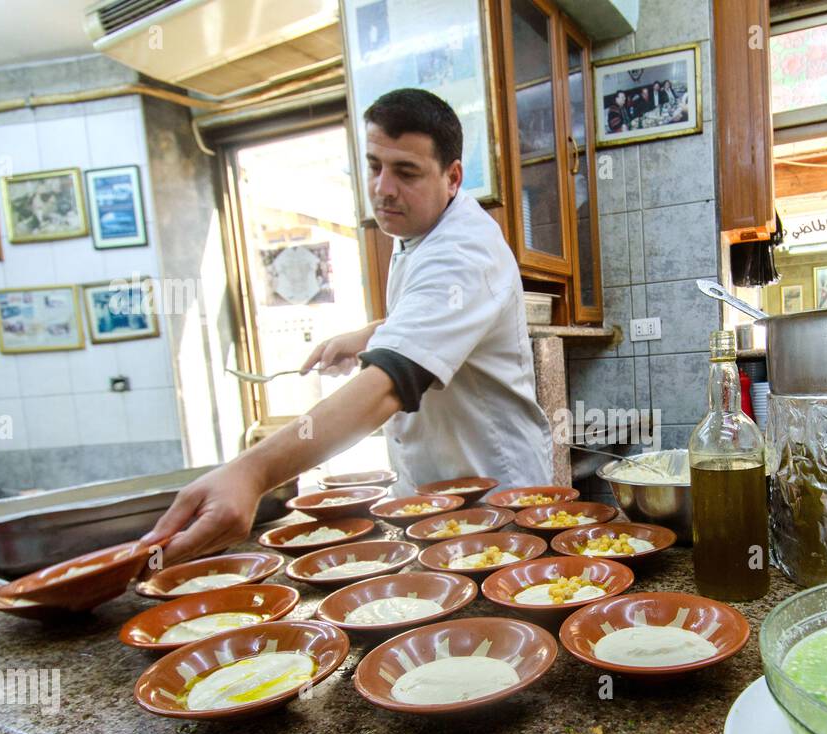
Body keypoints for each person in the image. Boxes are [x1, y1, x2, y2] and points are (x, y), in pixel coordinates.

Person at [144, 88, 553, 563]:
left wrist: (251, 474)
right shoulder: (421, 232)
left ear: (453, 177)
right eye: (374, 165)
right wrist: (372, 333)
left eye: (406, 172)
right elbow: (433, 316)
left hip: (496, 502)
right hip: (443, 498)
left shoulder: (464, 250)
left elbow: (388, 385)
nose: (383, 188)